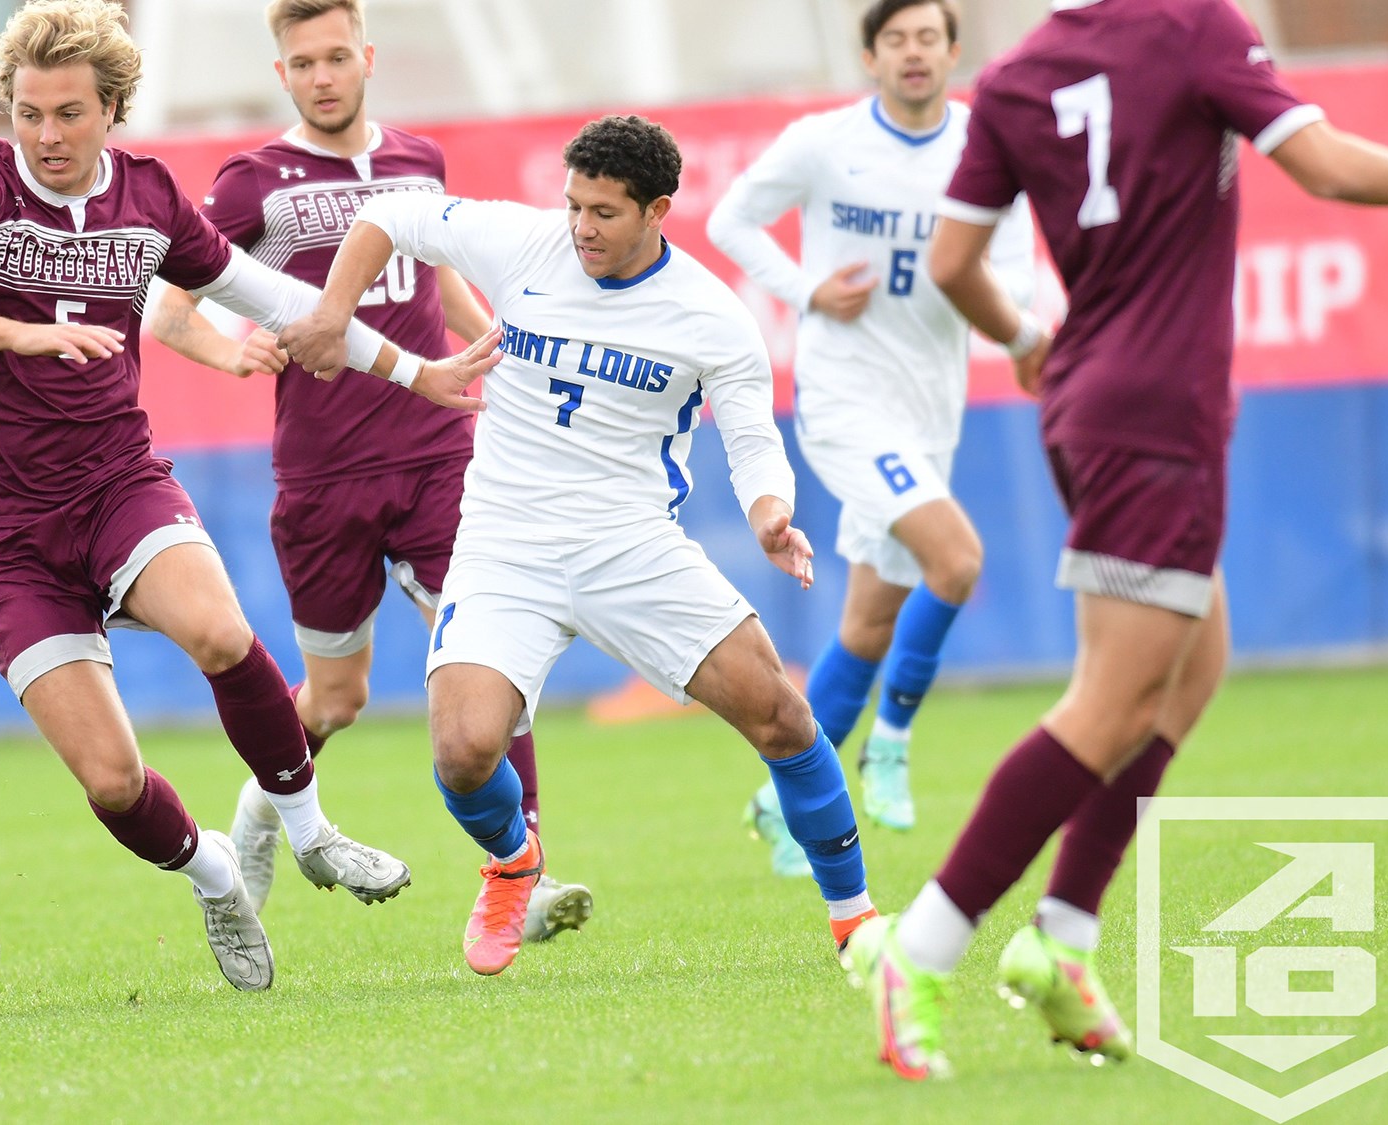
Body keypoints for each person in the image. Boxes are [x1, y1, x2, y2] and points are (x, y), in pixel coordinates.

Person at [843, 0, 1388, 1079]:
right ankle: (922, 947)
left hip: (1087, 400)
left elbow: (952, 262)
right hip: (1153, 417)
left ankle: (1062, 941)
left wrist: (1027, 339)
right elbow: (1324, 169)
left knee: (1187, 671)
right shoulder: (1195, 28)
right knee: (1111, 703)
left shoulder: (1012, 76)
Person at [0, 0, 498, 993]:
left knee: (224, 637)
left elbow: (283, 302)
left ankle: (310, 833)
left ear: (111, 109)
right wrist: (11, 333)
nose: (47, 135)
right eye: (30, 112)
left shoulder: (148, 197)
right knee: (112, 781)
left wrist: (417, 374)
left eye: (69, 113)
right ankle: (211, 875)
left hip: (115, 484)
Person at [281, 115, 877, 977]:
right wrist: (334, 312)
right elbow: (395, 211)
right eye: (574, 205)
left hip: (630, 545)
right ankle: (514, 860)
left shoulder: (712, 316)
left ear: (658, 210)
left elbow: (752, 439)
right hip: (503, 542)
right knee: (461, 751)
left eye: (604, 212)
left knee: (782, 716)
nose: (582, 227)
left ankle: (856, 921)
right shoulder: (525, 242)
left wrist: (769, 513)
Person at [146, 0, 591, 943]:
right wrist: (232, 356)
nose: (322, 75)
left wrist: (511, 348)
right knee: (337, 698)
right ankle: (266, 807)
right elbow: (170, 309)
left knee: (491, 659)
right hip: (323, 477)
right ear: (282, 74)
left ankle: (526, 870)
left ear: (367, 58)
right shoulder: (252, 185)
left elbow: (440, 282)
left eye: (337, 56)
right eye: (303, 62)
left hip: (438, 457)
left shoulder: (418, 161)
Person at [709, 0, 1036, 854]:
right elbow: (729, 219)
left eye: (928, 37)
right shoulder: (826, 142)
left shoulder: (984, 147)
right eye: (896, 40)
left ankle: (784, 802)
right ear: (870, 58)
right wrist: (808, 289)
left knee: (865, 627)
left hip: (930, 407)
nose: (914, 53)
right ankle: (890, 744)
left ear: (953, 51)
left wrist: (1009, 318)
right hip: (845, 400)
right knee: (958, 558)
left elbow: (1017, 277)